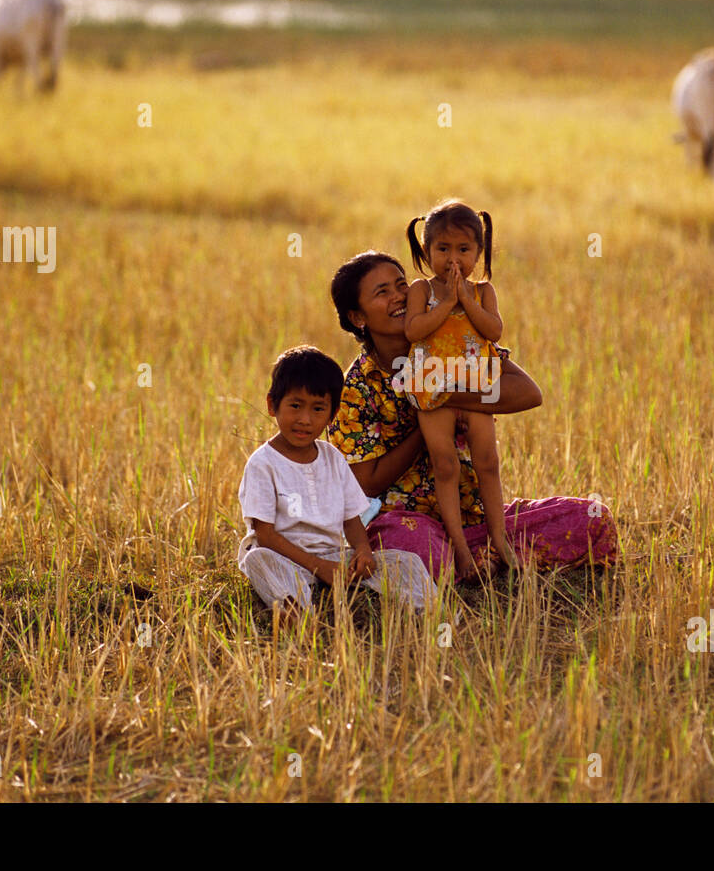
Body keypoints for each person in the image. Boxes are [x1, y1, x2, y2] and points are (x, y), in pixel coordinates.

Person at [326, 251, 619, 583]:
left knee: (593, 519)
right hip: (407, 522)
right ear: (357, 317)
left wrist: (451, 397)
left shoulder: (453, 342)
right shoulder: (355, 387)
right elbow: (364, 482)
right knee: (418, 549)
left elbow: (527, 392)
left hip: (476, 518)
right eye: (382, 292)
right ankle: (484, 557)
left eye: (401, 284)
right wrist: (429, 421)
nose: (400, 297)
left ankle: (479, 553)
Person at [237, 345, 436, 625]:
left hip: (333, 555)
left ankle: (426, 610)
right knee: (259, 559)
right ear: (272, 405)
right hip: (284, 555)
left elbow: (351, 519)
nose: (305, 419)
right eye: (295, 406)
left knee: (406, 562)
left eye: (318, 409)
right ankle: (295, 611)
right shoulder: (263, 464)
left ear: (332, 416)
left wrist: (363, 551)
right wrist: (319, 568)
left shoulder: (332, 458)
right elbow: (266, 535)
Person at [402, 199, 515, 580]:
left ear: (479, 253)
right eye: (443, 249)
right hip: (432, 391)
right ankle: (461, 549)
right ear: (426, 251)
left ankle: (499, 539)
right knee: (445, 465)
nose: (454, 258)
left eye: (464, 250)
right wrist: (447, 301)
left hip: (475, 390)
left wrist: (465, 299)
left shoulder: (483, 291)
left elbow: (494, 331)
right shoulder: (421, 289)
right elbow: (413, 331)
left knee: (488, 463)